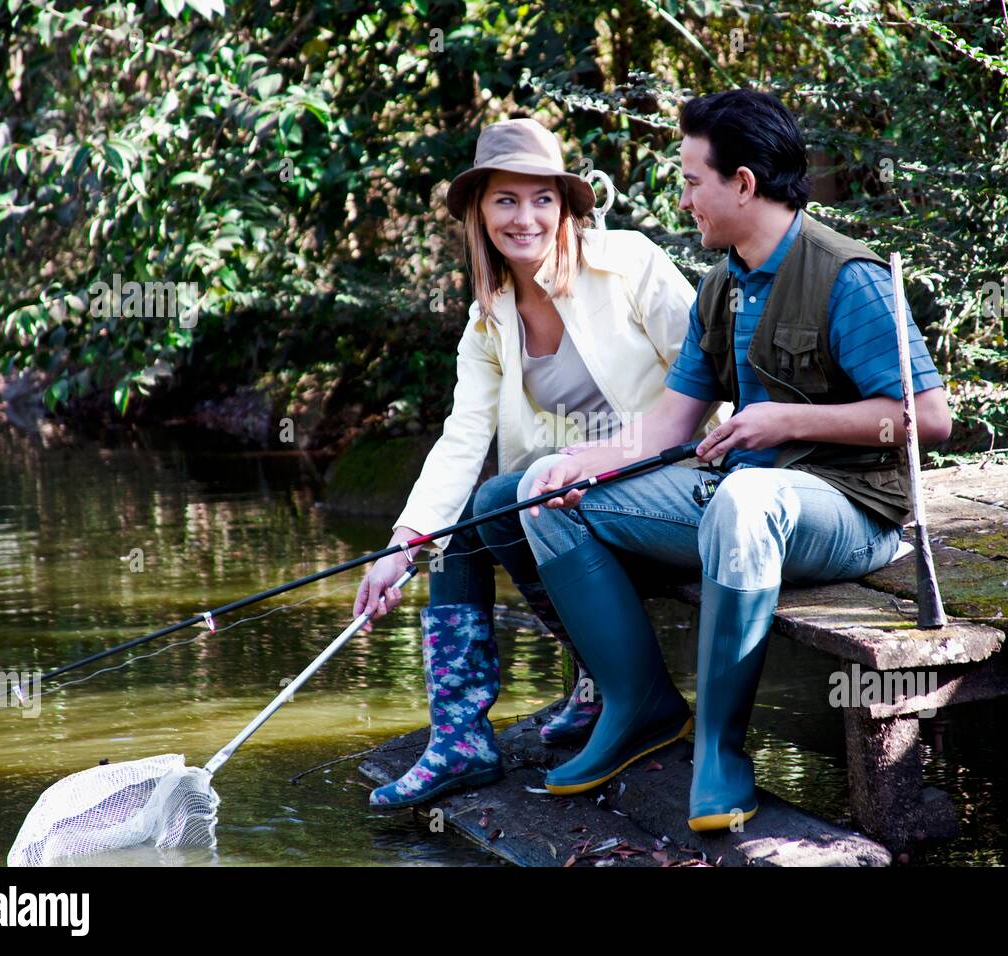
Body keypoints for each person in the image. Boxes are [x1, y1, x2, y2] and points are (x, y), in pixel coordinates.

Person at [517, 90, 952, 832]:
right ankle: (641, 707)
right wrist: (580, 462)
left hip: (853, 517)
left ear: (743, 183)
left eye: (691, 180)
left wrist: (783, 419)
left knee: (746, 503)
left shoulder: (849, 277)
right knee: (541, 494)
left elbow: (928, 420)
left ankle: (721, 751)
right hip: (738, 506)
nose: (682, 198)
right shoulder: (722, 285)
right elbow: (669, 422)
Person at [352, 117, 724, 808]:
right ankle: (462, 735)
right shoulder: (489, 316)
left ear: (565, 204)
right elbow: (463, 435)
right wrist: (402, 546)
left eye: (542, 198)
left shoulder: (630, 265)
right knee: (474, 507)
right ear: (478, 212)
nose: (526, 218)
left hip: (681, 489)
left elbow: (710, 381)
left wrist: (614, 462)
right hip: (568, 508)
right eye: (505, 200)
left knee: (500, 498)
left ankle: (611, 685)